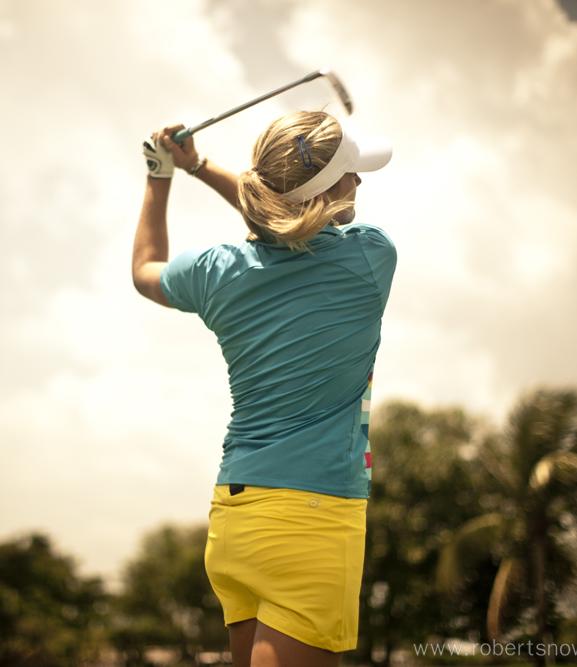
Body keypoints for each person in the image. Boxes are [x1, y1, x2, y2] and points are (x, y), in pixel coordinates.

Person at [132, 110, 396, 667]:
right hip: (312, 521)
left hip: (237, 519)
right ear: (329, 193)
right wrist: (200, 167)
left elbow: (146, 269)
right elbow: (288, 226)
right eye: (351, 174)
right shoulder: (369, 257)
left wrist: (165, 176)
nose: (359, 182)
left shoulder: (216, 272)